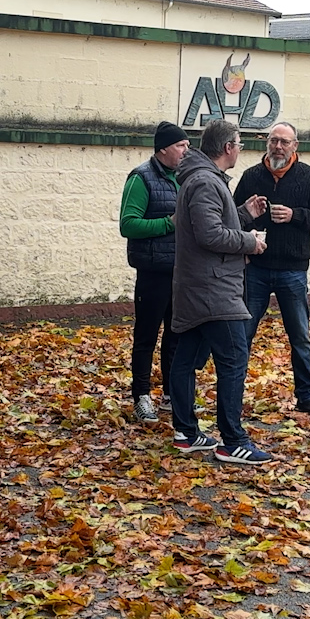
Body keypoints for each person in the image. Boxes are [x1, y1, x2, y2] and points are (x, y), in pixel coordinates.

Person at [166, 120, 272, 466]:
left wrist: (243, 214)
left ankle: (186, 433)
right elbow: (210, 234)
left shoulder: (203, 180)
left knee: (185, 359)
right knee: (234, 358)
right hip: (213, 289)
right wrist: (250, 241)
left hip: (199, 287)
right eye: (239, 144)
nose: (240, 150)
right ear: (228, 147)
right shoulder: (205, 181)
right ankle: (233, 441)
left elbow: (210, 224)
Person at [234, 121, 310, 420]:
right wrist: (248, 224)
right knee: (243, 334)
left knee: (300, 336)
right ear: (266, 143)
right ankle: (233, 397)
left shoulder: (309, 176)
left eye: (284, 142)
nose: (278, 147)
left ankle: (306, 396)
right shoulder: (251, 176)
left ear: (295, 146)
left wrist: (296, 215)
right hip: (256, 268)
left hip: (293, 270)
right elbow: (231, 215)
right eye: (274, 141)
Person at [119, 121, 188, 423]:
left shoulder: (183, 177)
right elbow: (128, 224)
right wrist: (167, 223)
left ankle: (172, 395)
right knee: (146, 336)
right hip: (152, 271)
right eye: (180, 146)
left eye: (187, 145)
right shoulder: (141, 178)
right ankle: (141, 396)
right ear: (163, 149)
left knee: (176, 335)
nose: (186, 151)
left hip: (180, 271)